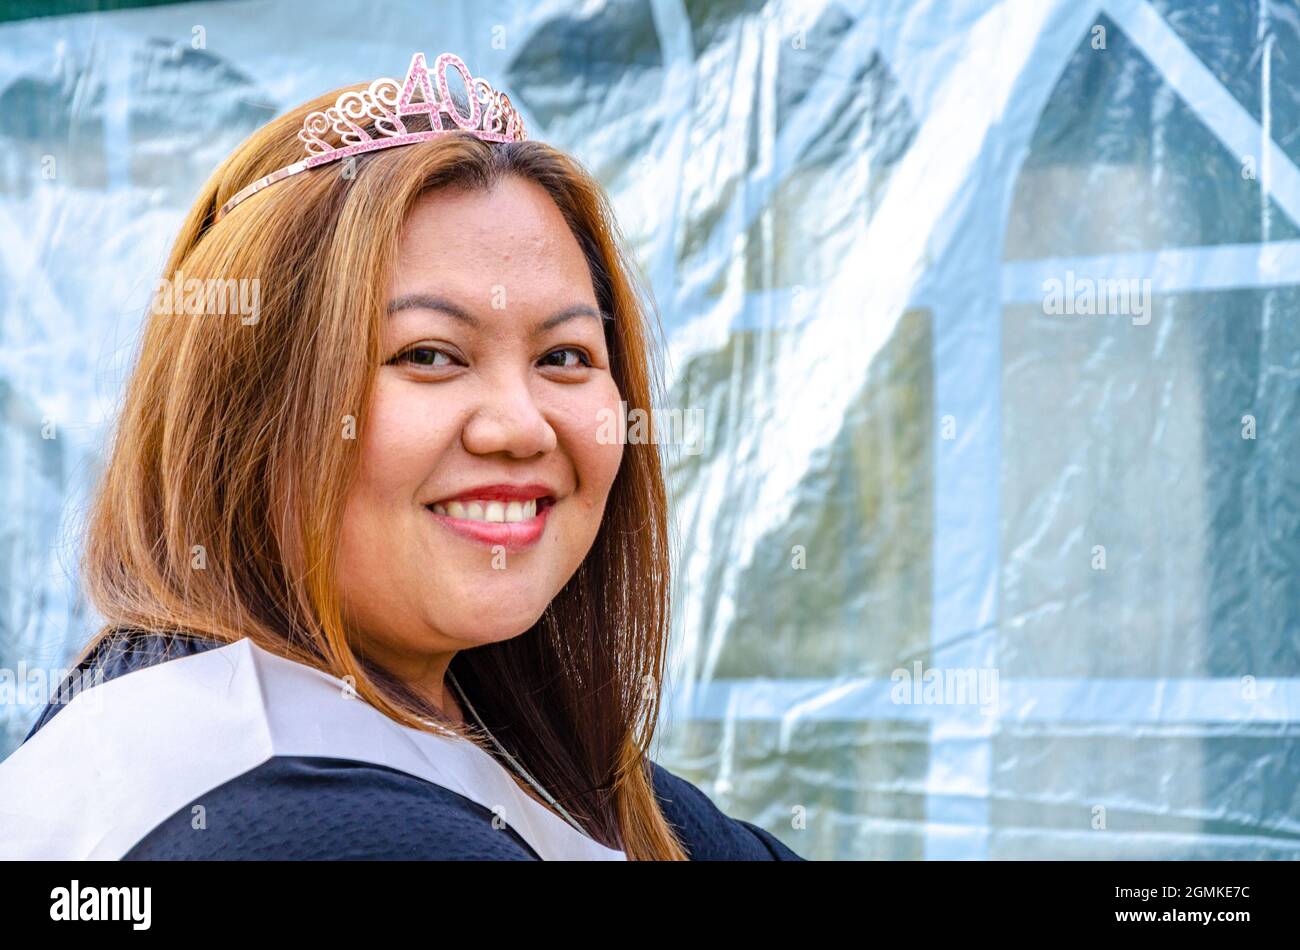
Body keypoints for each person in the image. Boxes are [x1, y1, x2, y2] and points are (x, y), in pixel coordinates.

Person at [0, 52, 805, 861]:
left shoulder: (508, 748)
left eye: (563, 357)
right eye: (428, 354)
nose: (521, 427)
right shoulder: (297, 814)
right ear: (244, 413)